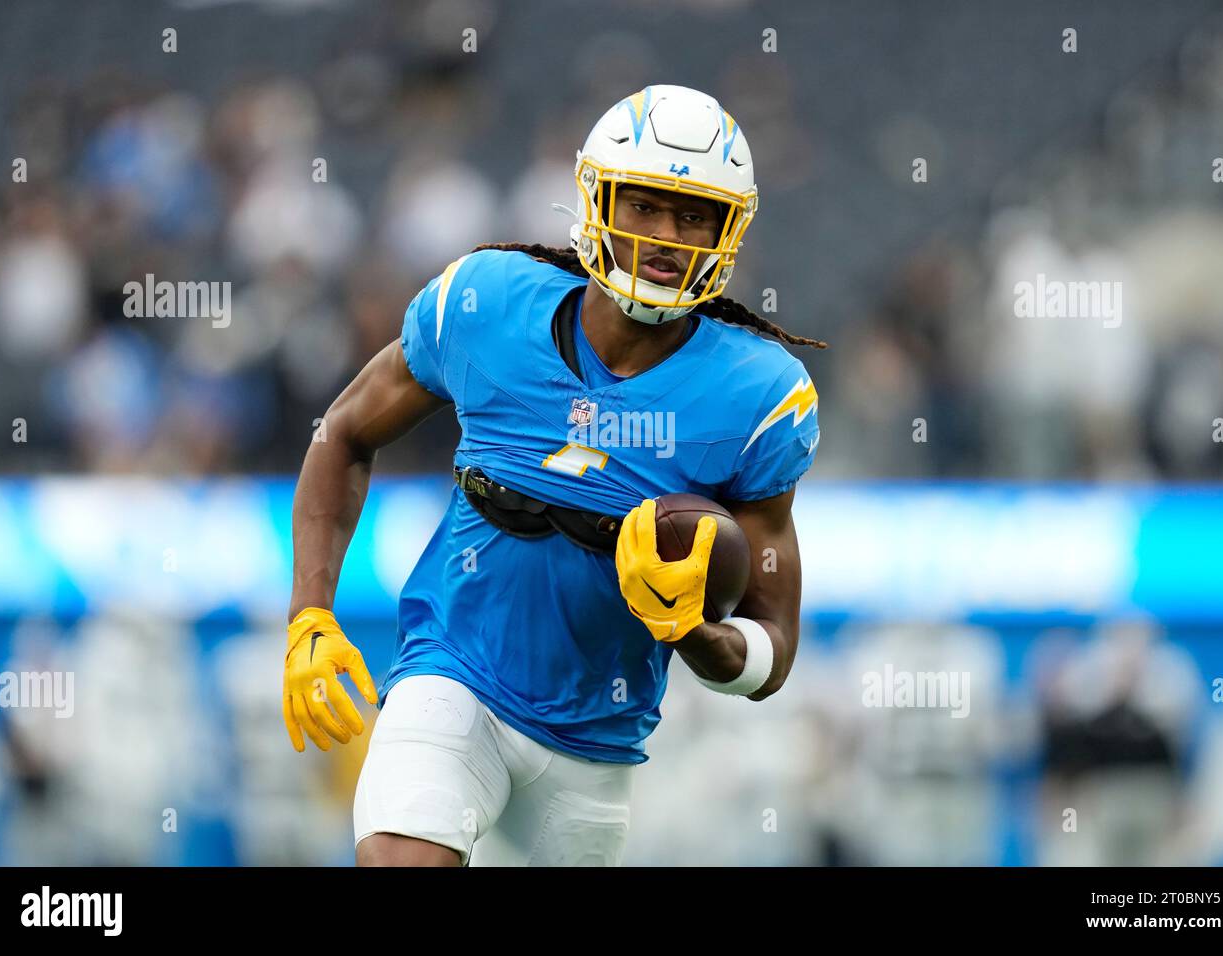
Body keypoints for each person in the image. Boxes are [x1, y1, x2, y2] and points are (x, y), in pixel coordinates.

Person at [282, 85, 825, 866]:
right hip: (453, 675)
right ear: (597, 199)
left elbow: (774, 648)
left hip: (595, 743)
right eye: (644, 204)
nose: (667, 236)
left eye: (693, 215)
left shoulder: (756, 395)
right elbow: (342, 432)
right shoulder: (486, 302)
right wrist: (309, 615)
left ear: (728, 230)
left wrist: (694, 633)